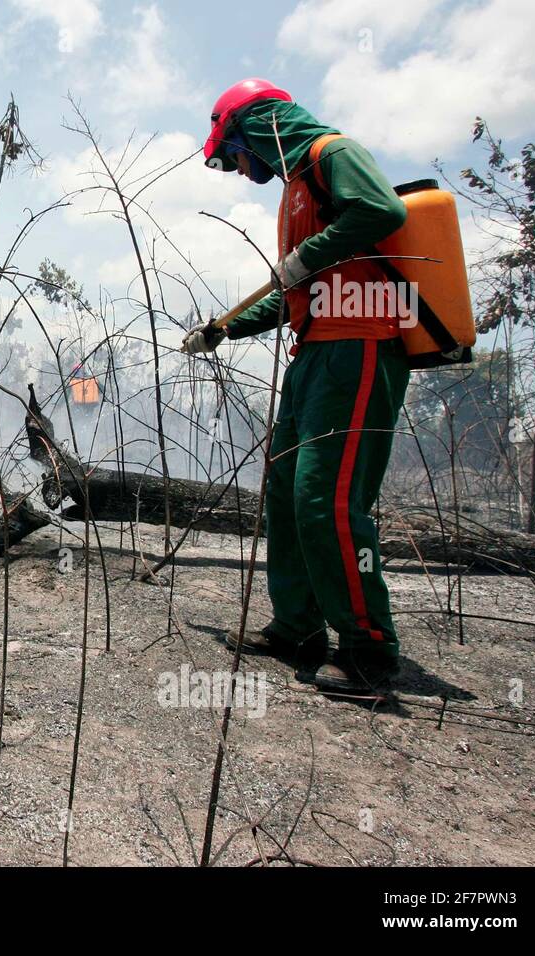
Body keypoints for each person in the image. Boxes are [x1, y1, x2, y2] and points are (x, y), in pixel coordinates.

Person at [182, 78, 411, 694]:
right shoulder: (296, 190)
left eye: (232, 154)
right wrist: (222, 331)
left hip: (360, 347)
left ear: (255, 128)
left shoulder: (332, 155)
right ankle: (296, 629)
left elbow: (385, 211)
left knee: (326, 498)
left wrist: (308, 258)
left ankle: (368, 649)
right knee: (284, 489)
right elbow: (294, 294)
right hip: (313, 353)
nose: (235, 169)